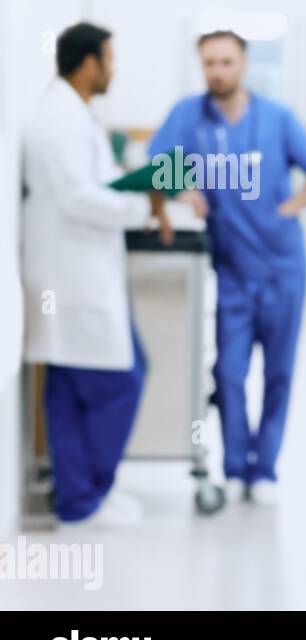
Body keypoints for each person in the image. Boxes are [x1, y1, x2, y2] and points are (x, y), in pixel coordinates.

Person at [148, 30, 306, 506]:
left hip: (284, 264)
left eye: (226, 62)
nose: (218, 71)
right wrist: (181, 189)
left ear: (244, 63)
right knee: (228, 372)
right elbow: (155, 167)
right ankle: (233, 464)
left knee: (279, 372)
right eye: (209, 63)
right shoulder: (189, 117)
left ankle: (264, 469)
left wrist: (292, 207)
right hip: (232, 269)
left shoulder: (278, 118)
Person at [22, 22, 183, 528]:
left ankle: (79, 496)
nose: (113, 69)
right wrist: (142, 209)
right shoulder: (59, 121)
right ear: (89, 62)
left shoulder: (72, 115)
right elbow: (77, 198)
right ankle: (86, 497)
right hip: (73, 277)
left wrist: (146, 187)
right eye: (110, 59)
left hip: (74, 271)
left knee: (69, 385)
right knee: (120, 379)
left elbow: (91, 182)